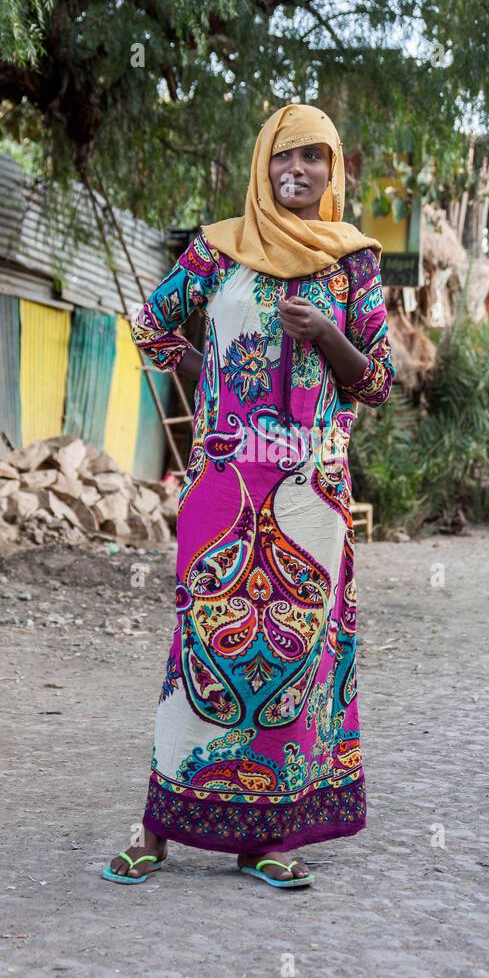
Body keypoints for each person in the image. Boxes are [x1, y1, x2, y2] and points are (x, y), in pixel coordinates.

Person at [104, 103, 395, 890]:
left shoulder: (353, 265)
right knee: (201, 644)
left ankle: (267, 838)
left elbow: (377, 379)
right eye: (282, 157)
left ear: (334, 171)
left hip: (311, 490)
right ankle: (157, 827)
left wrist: (326, 337)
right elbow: (152, 324)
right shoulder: (217, 248)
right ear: (263, 164)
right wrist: (215, 395)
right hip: (225, 484)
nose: (295, 172)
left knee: (295, 659)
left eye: (313, 159)